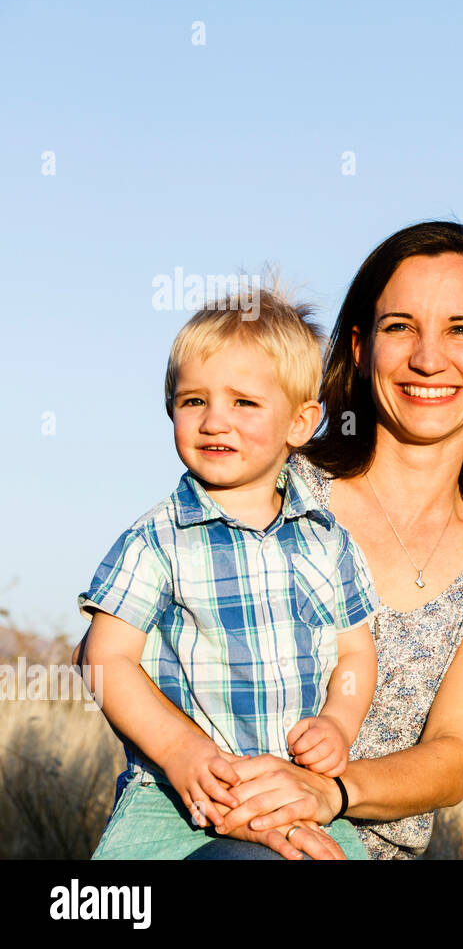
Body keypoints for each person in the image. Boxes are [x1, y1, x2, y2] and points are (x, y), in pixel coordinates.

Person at [80, 221, 463, 859]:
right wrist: (218, 778)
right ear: (359, 349)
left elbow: (454, 757)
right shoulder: (276, 480)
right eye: (400, 326)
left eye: (461, 329)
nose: (428, 357)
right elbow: (109, 652)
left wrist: (323, 792)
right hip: (210, 812)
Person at [80, 289, 379, 860]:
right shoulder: (156, 539)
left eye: (244, 402)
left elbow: (355, 654)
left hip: (289, 786)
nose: (215, 420)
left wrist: (337, 725)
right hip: (173, 793)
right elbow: (103, 659)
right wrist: (179, 751)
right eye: (194, 400)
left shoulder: (328, 542)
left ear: (300, 421)